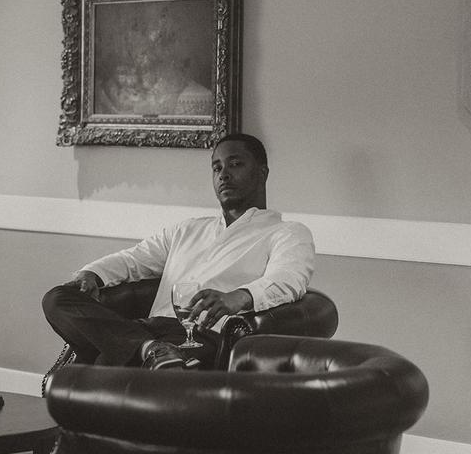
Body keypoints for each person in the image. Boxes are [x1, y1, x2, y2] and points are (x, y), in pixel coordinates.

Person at [42, 133, 314, 370]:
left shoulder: (287, 232)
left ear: (262, 173)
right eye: (217, 167)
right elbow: (134, 259)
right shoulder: (188, 229)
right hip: (146, 330)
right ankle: (148, 350)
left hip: (201, 336)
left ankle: (142, 353)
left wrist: (239, 297)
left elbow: (288, 280)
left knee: (107, 365)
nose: (223, 174)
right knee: (57, 298)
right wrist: (92, 274)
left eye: (235, 164)